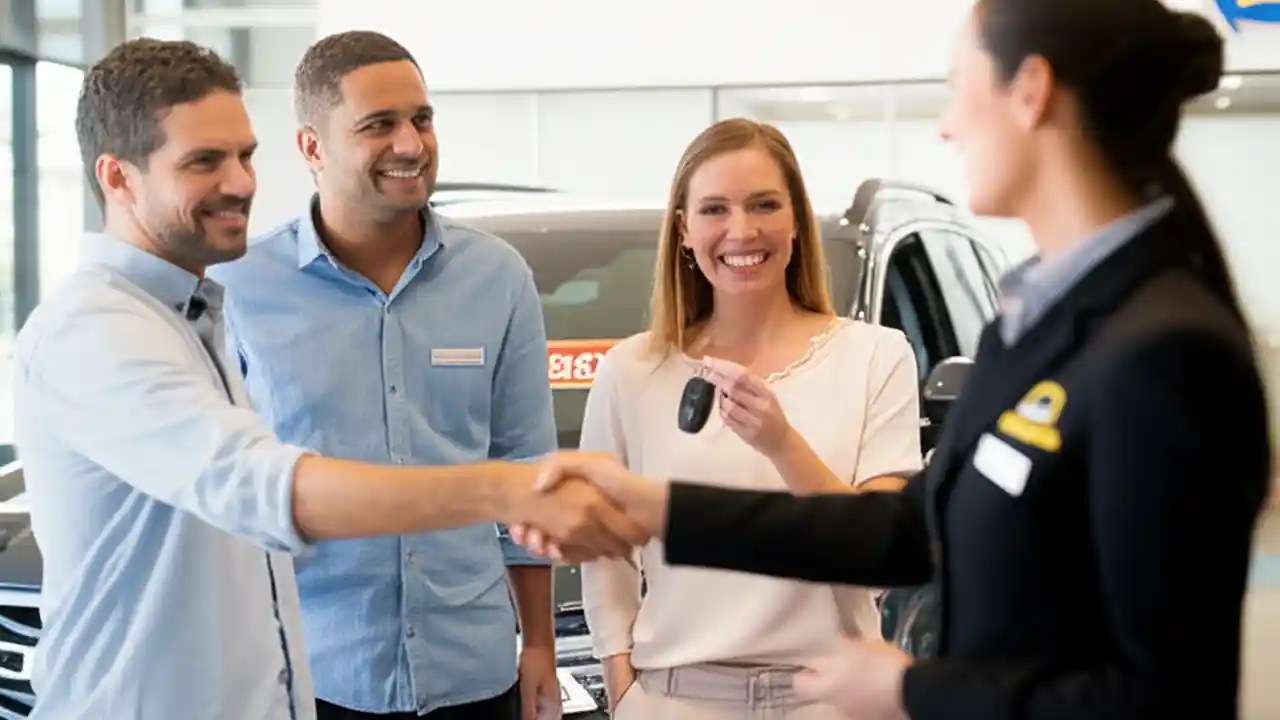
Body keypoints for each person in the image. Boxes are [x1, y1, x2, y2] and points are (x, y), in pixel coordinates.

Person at [519, 1, 1274, 718]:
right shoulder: (1032, 324)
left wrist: (917, 694)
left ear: (1032, 93)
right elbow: (904, 530)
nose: (947, 127)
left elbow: (1163, 700)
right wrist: (654, 508)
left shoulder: (1166, 351)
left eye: (957, 88)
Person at [12, 38, 642, 720]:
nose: (240, 183)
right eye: (203, 162)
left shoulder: (195, 312)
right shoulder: (100, 330)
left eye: (245, 156)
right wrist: (506, 488)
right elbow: (262, 485)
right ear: (118, 178)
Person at [206, 30, 562, 720]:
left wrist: (539, 645)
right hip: (312, 676)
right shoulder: (239, 288)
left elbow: (526, 468)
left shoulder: (498, 277)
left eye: (421, 119)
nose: (411, 143)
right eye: (379, 125)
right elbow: (224, 498)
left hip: (473, 673)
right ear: (312, 147)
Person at [568, 118, 923, 719]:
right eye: (714, 209)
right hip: (675, 701)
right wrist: (621, 682)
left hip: (831, 700)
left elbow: (878, 552)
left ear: (794, 222)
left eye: (764, 205)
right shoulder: (631, 371)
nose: (741, 230)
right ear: (683, 229)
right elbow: (605, 550)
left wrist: (781, 444)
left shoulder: (875, 356)